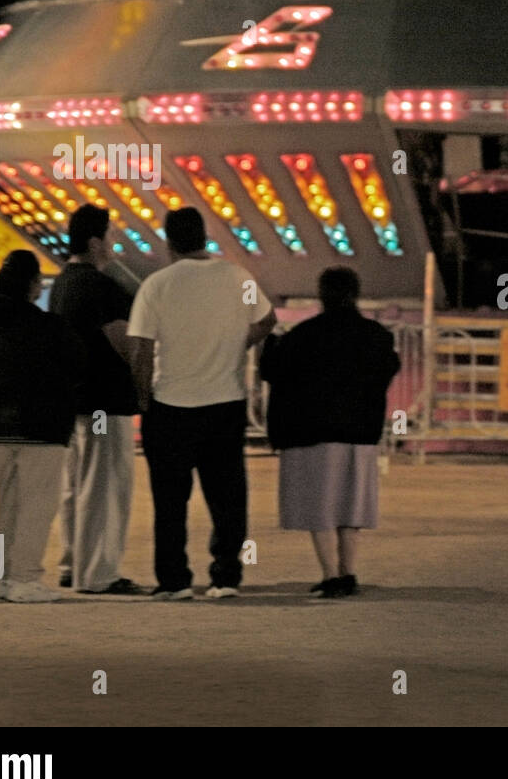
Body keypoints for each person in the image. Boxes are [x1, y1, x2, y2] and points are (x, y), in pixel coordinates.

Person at [129, 208, 276, 601]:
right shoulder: (238, 277)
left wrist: (143, 400)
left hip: (170, 405)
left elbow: (141, 348)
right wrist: (236, 343)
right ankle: (226, 576)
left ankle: (174, 579)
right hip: (225, 404)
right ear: (204, 238)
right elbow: (266, 319)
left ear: (169, 242)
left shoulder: (155, 285)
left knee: (170, 501)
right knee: (228, 497)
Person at [260, 268, 400, 599]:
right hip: (360, 434)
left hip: (313, 434)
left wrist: (270, 342)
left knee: (319, 506)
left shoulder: (304, 335)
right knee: (351, 507)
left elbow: (273, 371)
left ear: (322, 294)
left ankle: (330, 574)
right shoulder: (376, 335)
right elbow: (388, 368)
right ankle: (349, 571)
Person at [0, 250, 84, 603]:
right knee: (37, 505)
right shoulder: (50, 325)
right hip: (41, 427)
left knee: (6, 504)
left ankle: (4, 578)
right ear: (32, 285)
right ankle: (25, 578)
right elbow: (75, 366)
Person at [48, 206, 142, 595]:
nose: (114, 243)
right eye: (111, 235)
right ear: (94, 242)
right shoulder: (101, 286)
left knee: (77, 485)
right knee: (104, 486)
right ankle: (99, 572)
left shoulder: (62, 284)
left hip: (74, 402)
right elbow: (124, 342)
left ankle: (73, 561)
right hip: (105, 401)